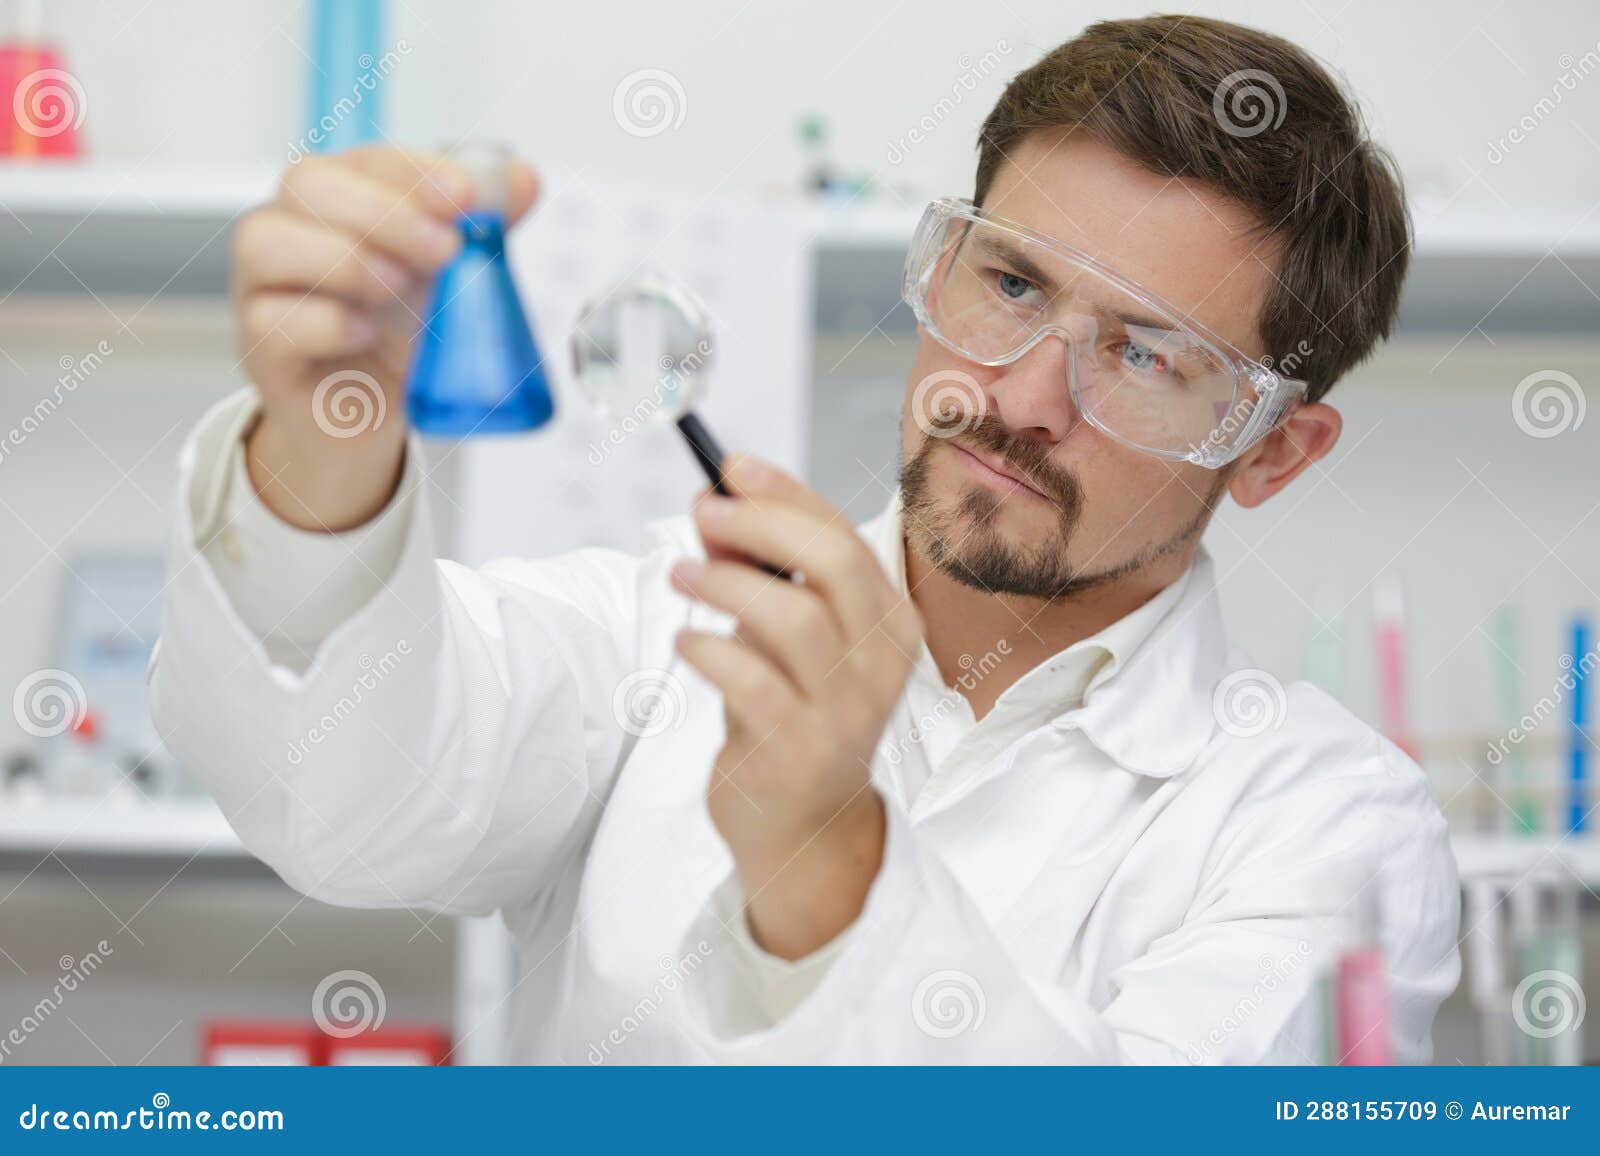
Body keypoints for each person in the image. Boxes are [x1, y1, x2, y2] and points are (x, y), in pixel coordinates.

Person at [151, 15, 1459, 1062]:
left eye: (1149, 354)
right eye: (1009, 283)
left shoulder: (1326, 830)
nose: (1017, 400)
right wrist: (325, 445)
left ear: (1271, 447)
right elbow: (337, 795)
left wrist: (831, 856)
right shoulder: (656, 633)